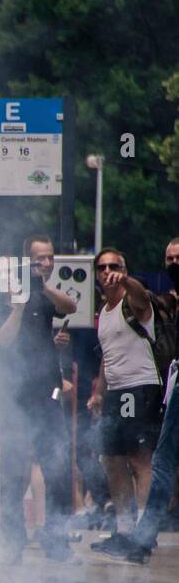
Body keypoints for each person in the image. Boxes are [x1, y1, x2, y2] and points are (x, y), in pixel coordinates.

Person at [0, 235, 79, 564]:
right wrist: (17, 307)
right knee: (13, 470)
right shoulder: (1, 300)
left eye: (49, 258)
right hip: (13, 396)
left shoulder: (44, 295)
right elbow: (1, 342)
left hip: (47, 391)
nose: (45, 264)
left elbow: (70, 306)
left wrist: (41, 288)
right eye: (38, 259)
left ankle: (56, 538)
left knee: (56, 466)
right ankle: (12, 541)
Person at [96, 237, 179, 562]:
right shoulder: (103, 311)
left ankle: (145, 532)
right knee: (112, 459)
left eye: (114, 267)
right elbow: (107, 356)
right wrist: (98, 392)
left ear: (125, 270)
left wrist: (127, 281)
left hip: (141, 387)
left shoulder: (133, 304)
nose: (108, 273)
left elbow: (142, 296)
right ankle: (125, 529)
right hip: (116, 392)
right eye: (102, 268)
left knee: (141, 459)